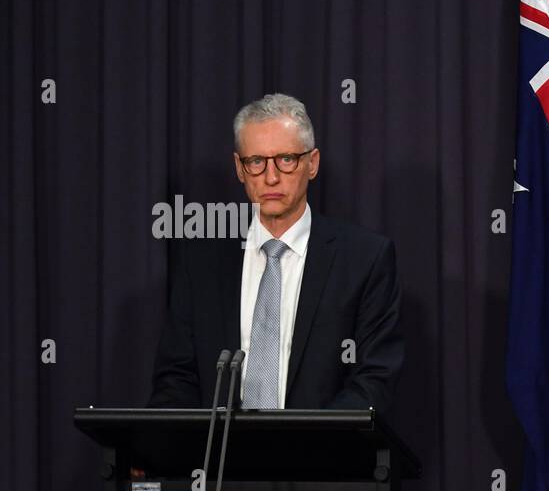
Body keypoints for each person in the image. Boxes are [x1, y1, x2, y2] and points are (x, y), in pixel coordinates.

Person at [148, 93, 402, 414]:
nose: (271, 177)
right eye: (256, 162)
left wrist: (298, 447)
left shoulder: (365, 259)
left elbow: (374, 379)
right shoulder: (201, 264)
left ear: (312, 163)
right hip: (222, 459)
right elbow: (176, 379)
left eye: (286, 159)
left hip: (323, 459)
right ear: (240, 169)